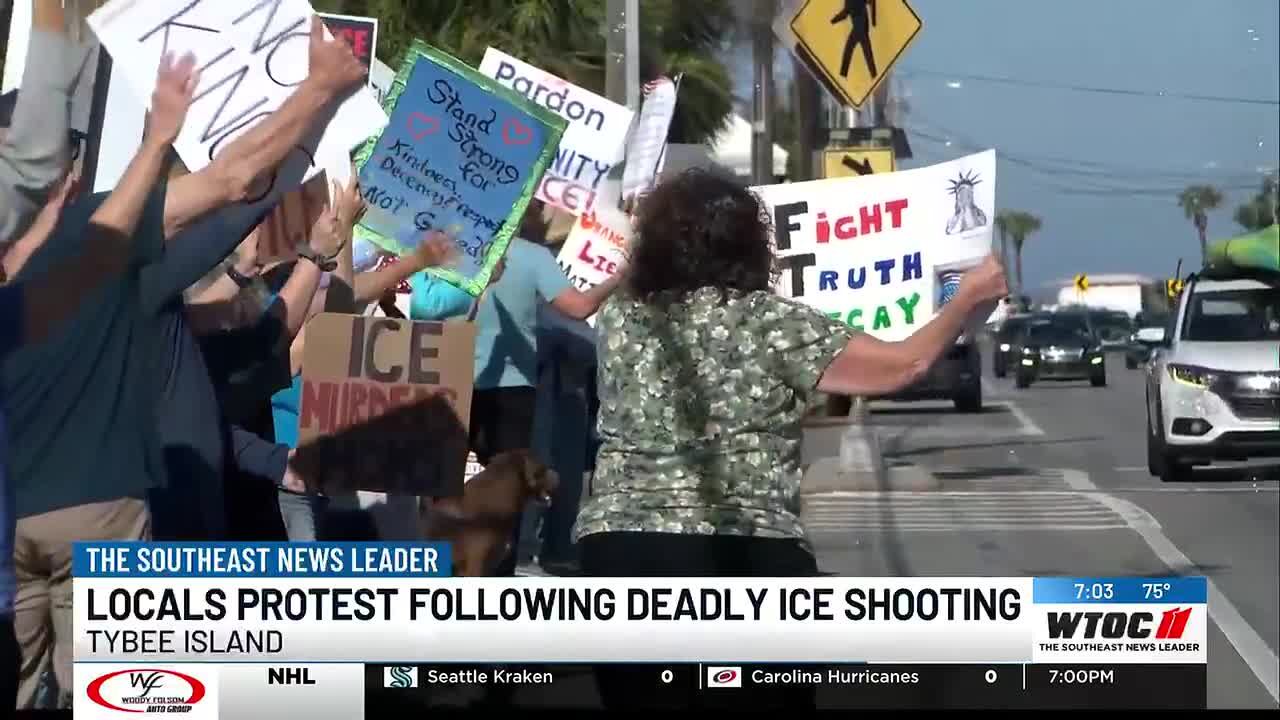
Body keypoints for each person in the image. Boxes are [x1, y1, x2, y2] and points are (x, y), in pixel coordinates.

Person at [3, 19, 366, 708]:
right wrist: (321, 94)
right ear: (61, 189)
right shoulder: (93, 263)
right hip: (101, 523)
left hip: (15, 530)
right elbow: (234, 191)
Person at [572, 170, 1009, 710]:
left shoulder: (620, 317)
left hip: (619, 549)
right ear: (750, 245)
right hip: (744, 546)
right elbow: (905, 364)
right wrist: (964, 298)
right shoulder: (773, 323)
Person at [411, 200, 622, 576]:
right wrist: (623, 273)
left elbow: (421, 310)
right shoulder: (533, 256)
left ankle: (434, 576)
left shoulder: (445, 254)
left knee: (438, 490)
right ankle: (497, 578)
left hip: (447, 382)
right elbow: (579, 308)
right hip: (513, 392)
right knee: (506, 499)